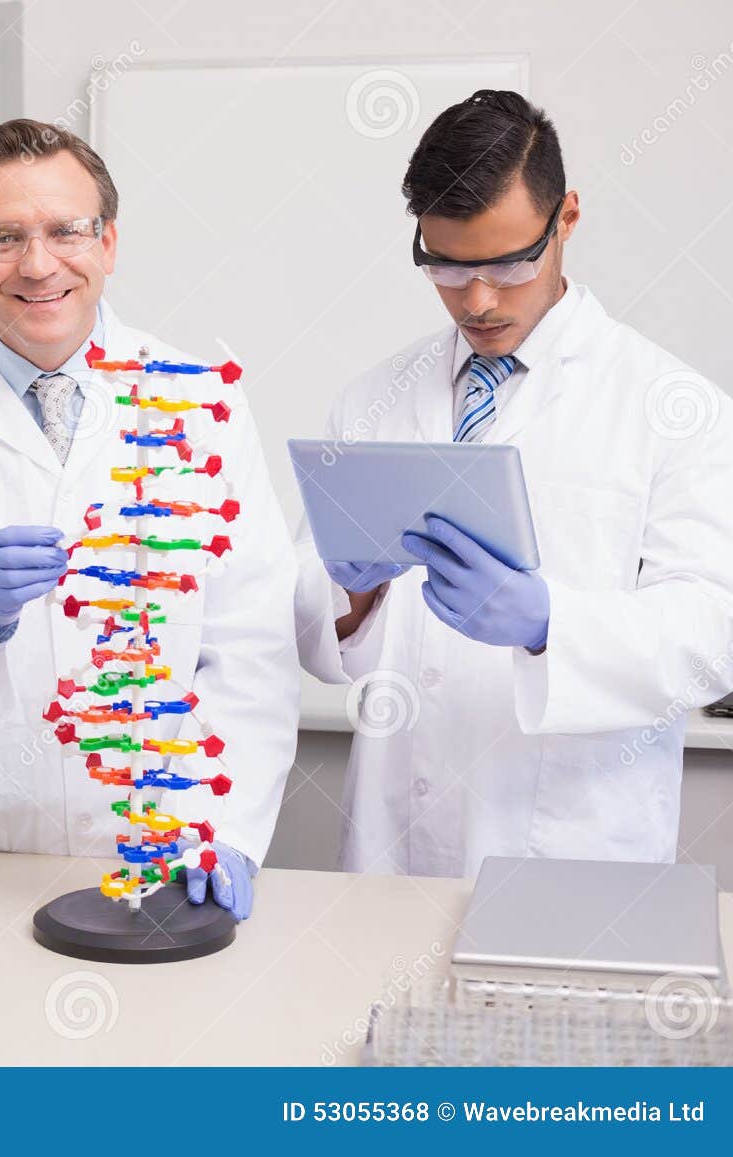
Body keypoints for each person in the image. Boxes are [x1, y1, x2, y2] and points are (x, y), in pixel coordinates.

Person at [0, 120, 299, 918]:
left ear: (107, 242)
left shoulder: (202, 402)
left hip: (154, 851)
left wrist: (224, 824)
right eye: (3, 237)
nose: (39, 265)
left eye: (67, 231)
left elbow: (251, 643)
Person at [296, 91, 733, 876]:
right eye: (446, 266)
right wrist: (348, 594)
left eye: (507, 263)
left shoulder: (677, 408)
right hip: (389, 848)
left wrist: (549, 625)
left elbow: (711, 636)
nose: (479, 299)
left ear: (565, 218)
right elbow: (305, 622)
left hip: (573, 853)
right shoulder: (374, 399)